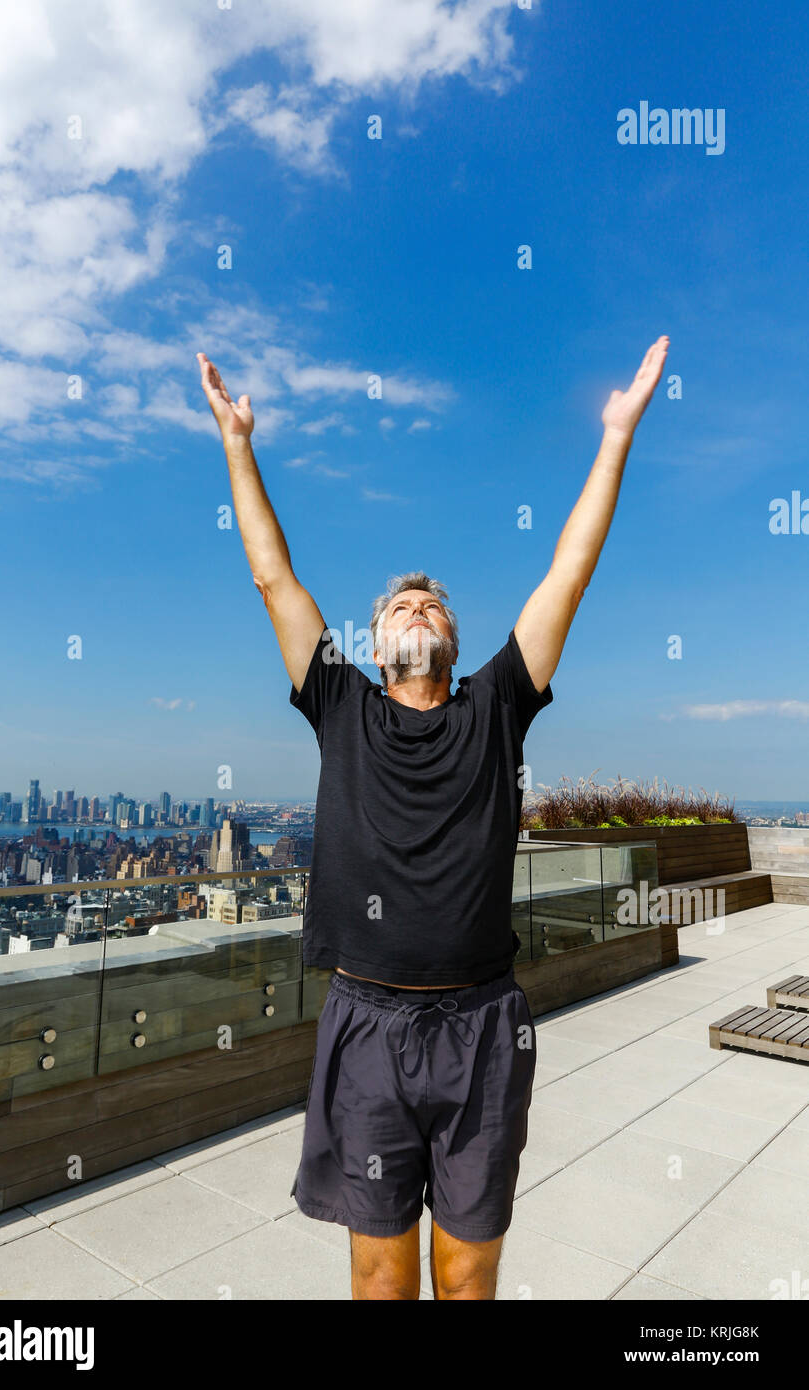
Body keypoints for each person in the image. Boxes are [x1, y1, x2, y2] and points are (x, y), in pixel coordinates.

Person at [197, 335, 669, 1299]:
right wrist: (238, 445)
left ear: (449, 641)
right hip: (365, 1021)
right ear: (375, 644)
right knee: (382, 1282)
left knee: (466, 1279)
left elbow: (567, 575)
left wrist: (616, 434)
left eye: (431, 601)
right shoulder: (340, 704)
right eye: (402, 602)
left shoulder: (497, 704)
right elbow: (273, 578)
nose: (417, 604)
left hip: (483, 1025)